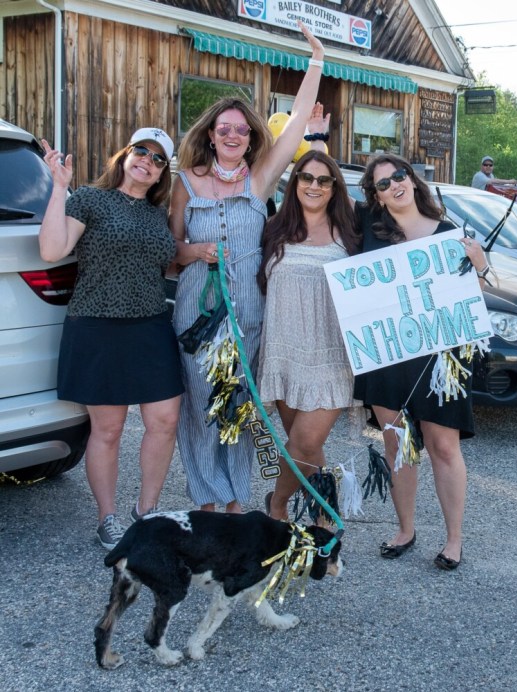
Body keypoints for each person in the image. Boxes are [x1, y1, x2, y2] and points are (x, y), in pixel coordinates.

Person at [170, 20, 325, 513]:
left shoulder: (258, 181)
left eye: (242, 128)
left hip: (249, 315)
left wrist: (316, 59)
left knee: (240, 406)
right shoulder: (186, 182)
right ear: (211, 136)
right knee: (199, 408)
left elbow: (298, 121)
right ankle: (206, 501)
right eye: (224, 128)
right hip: (197, 314)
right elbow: (170, 250)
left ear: (250, 136)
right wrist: (196, 252)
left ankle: (236, 500)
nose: (233, 134)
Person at [39, 128, 182, 549]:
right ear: (125, 155)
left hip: (151, 326)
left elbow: (167, 264)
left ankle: (147, 511)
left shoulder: (159, 214)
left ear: (161, 175)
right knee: (108, 430)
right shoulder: (89, 199)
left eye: (158, 160)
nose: (147, 161)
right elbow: (52, 249)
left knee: (165, 421)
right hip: (98, 327)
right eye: (141, 151)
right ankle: (108, 518)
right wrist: (58, 189)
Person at [356, 153, 489, 571]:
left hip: (438, 358)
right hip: (388, 354)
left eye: (399, 176)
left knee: (443, 447)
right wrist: (317, 140)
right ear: (376, 197)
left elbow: (472, 300)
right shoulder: (371, 232)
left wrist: (482, 267)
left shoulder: (449, 233)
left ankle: (454, 539)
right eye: (383, 184)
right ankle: (405, 529)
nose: (394, 184)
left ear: (412, 181)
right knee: (398, 445)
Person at [258, 151, 364, 521]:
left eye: (324, 180)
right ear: (295, 182)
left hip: (331, 355)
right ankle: (324, 512)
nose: (314, 186)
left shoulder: (351, 231)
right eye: (306, 177)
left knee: (304, 443)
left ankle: (277, 506)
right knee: (307, 450)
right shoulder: (273, 227)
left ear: (336, 187)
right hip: (283, 351)